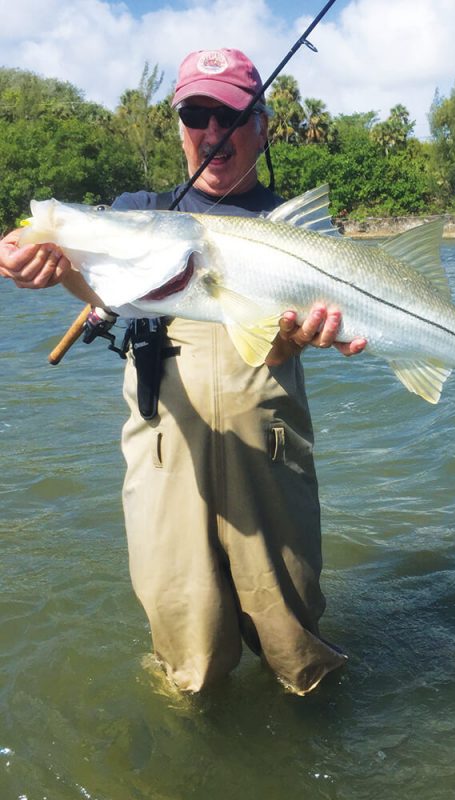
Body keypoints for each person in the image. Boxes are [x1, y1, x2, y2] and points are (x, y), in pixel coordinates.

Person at [0, 48, 366, 695]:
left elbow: (287, 346)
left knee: (297, 648)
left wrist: (289, 344)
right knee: (187, 657)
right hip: (166, 450)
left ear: (262, 125)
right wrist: (40, 256)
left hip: (269, 450)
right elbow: (91, 269)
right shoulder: (139, 209)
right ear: (177, 126)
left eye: (229, 113)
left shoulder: (296, 232)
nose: (212, 131)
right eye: (196, 113)